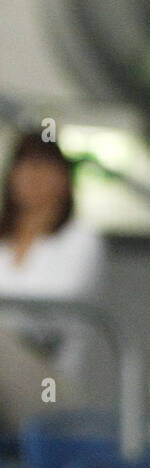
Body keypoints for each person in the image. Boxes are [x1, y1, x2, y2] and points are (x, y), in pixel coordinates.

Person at [0, 131, 105, 426]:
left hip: (50, 384)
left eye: (44, 167)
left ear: (65, 178)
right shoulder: (3, 242)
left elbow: (48, 319)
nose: (34, 176)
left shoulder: (80, 240)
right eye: (26, 166)